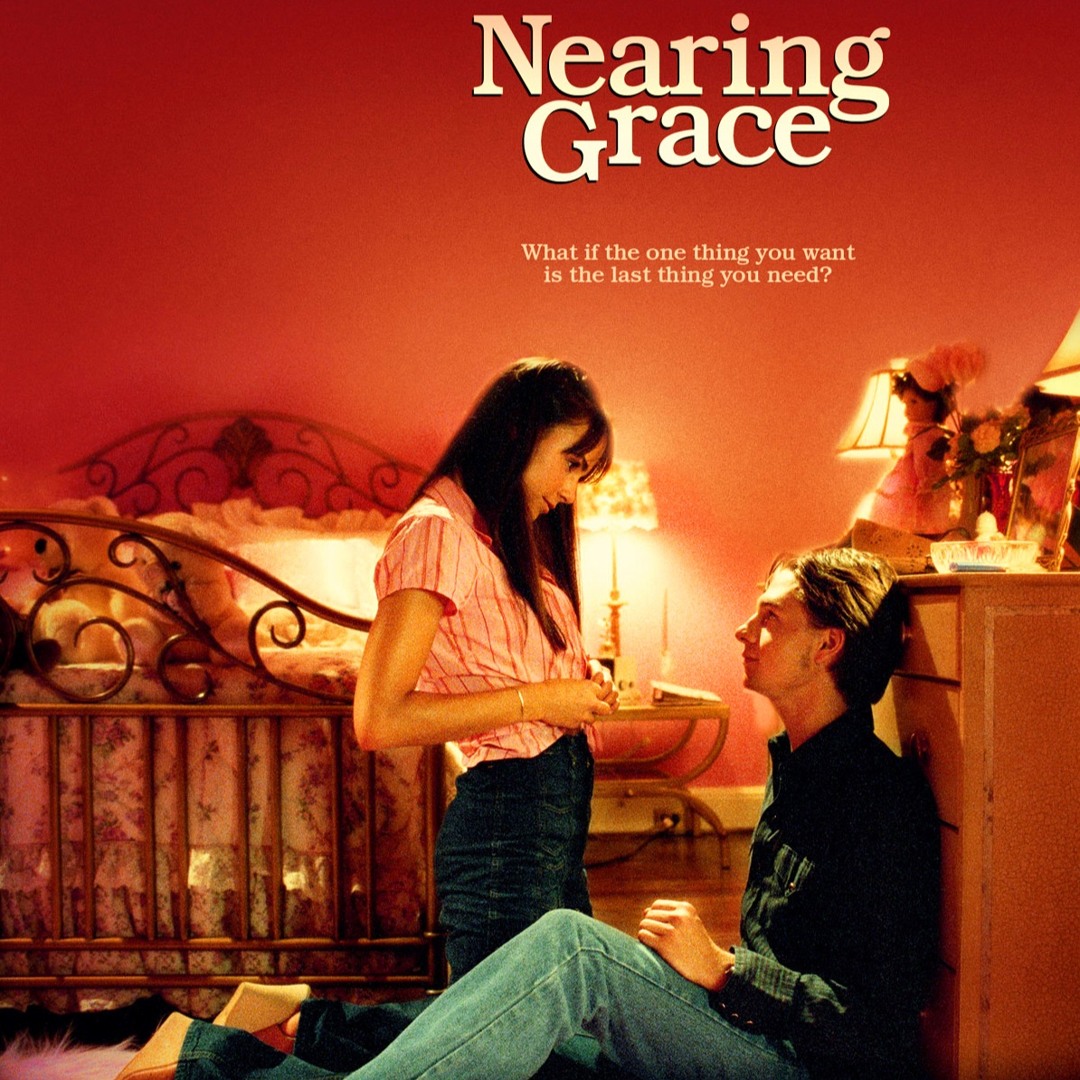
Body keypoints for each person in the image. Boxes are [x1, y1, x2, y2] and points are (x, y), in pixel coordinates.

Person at [119, 547, 941, 1080]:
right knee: (534, 1038)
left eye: (770, 616)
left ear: (827, 646)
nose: (742, 627)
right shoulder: (799, 768)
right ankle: (233, 1051)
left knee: (570, 947)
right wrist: (716, 975)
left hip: (795, 1064)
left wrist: (726, 971)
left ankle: (257, 1043)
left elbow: (878, 1024)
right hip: (744, 1026)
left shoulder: (879, 802)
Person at [353, 356, 618, 981]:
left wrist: (578, 683)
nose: (571, 491)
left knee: (538, 1018)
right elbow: (378, 718)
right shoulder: (436, 533)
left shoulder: (500, 537)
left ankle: (284, 1025)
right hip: (509, 825)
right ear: (517, 433)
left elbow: (502, 664)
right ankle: (276, 1029)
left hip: (549, 822)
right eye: (570, 464)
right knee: (502, 1026)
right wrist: (541, 700)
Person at [866, 343, 984, 536]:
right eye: (906, 403)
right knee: (906, 520)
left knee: (923, 520)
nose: (907, 410)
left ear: (935, 403)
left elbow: (924, 462)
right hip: (913, 483)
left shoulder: (930, 435)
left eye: (914, 402)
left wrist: (924, 485)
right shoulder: (920, 432)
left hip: (923, 486)